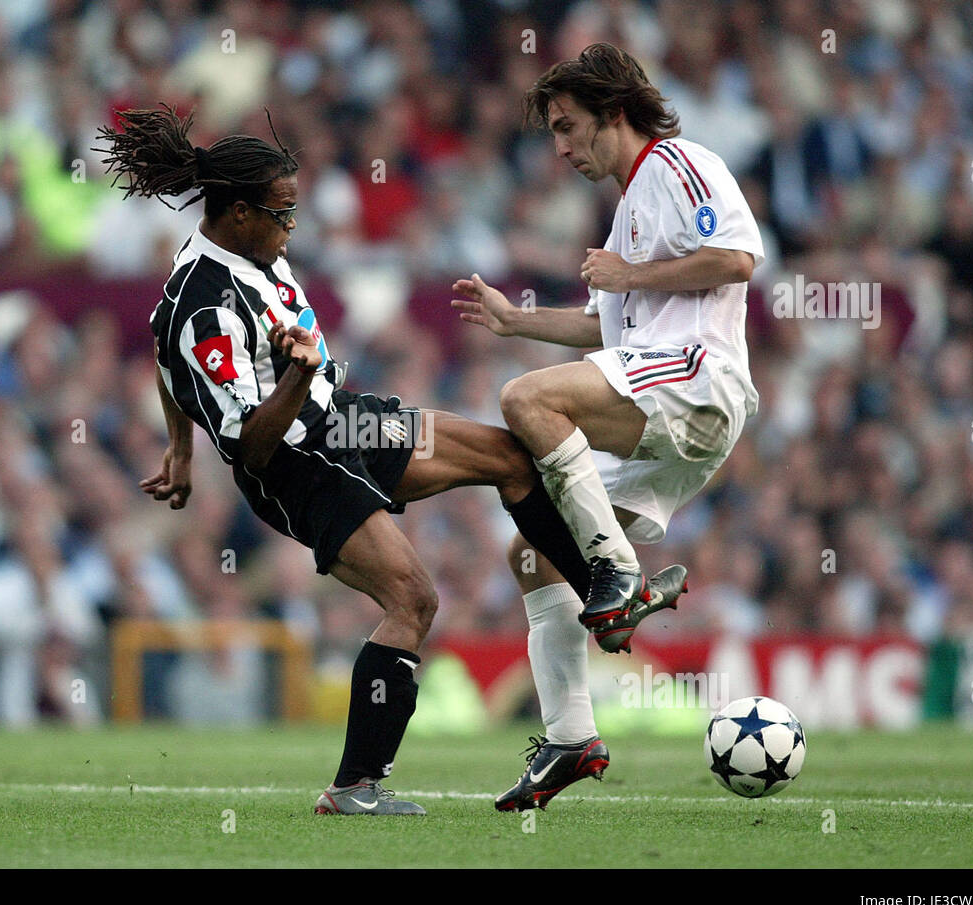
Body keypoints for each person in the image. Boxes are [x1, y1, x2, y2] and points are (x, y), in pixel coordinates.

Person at [98, 105, 596, 816]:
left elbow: (157, 348)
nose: (291, 225)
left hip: (346, 423)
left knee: (511, 455)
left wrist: (177, 446)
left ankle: (601, 598)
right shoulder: (204, 307)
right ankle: (355, 786)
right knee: (414, 599)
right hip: (298, 466)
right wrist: (291, 383)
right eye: (281, 212)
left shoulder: (248, 252)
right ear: (237, 213)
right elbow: (250, 445)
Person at [453, 43, 763, 810]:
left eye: (567, 128)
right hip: (659, 398)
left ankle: (615, 575)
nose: (559, 148)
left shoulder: (679, 164)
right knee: (531, 557)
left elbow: (737, 259)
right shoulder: (628, 209)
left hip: (698, 378)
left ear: (613, 115)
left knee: (525, 401)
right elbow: (606, 332)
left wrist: (632, 275)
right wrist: (514, 319)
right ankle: (570, 738)